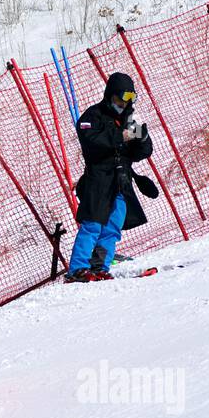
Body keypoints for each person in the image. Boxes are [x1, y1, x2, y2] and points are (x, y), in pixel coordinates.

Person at [64, 72, 156, 282]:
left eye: (126, 102)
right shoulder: (93, 116)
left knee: (112, 227)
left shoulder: (130, 118)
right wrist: (120, 137)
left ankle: (99, 267)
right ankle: (77, 268)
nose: (122, 106)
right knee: (93, 224)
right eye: (118, 100)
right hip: (99, 180)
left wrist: (142, 137)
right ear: (109, 96)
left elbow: (143, 152)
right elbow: (91, 140)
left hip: (121, 180)